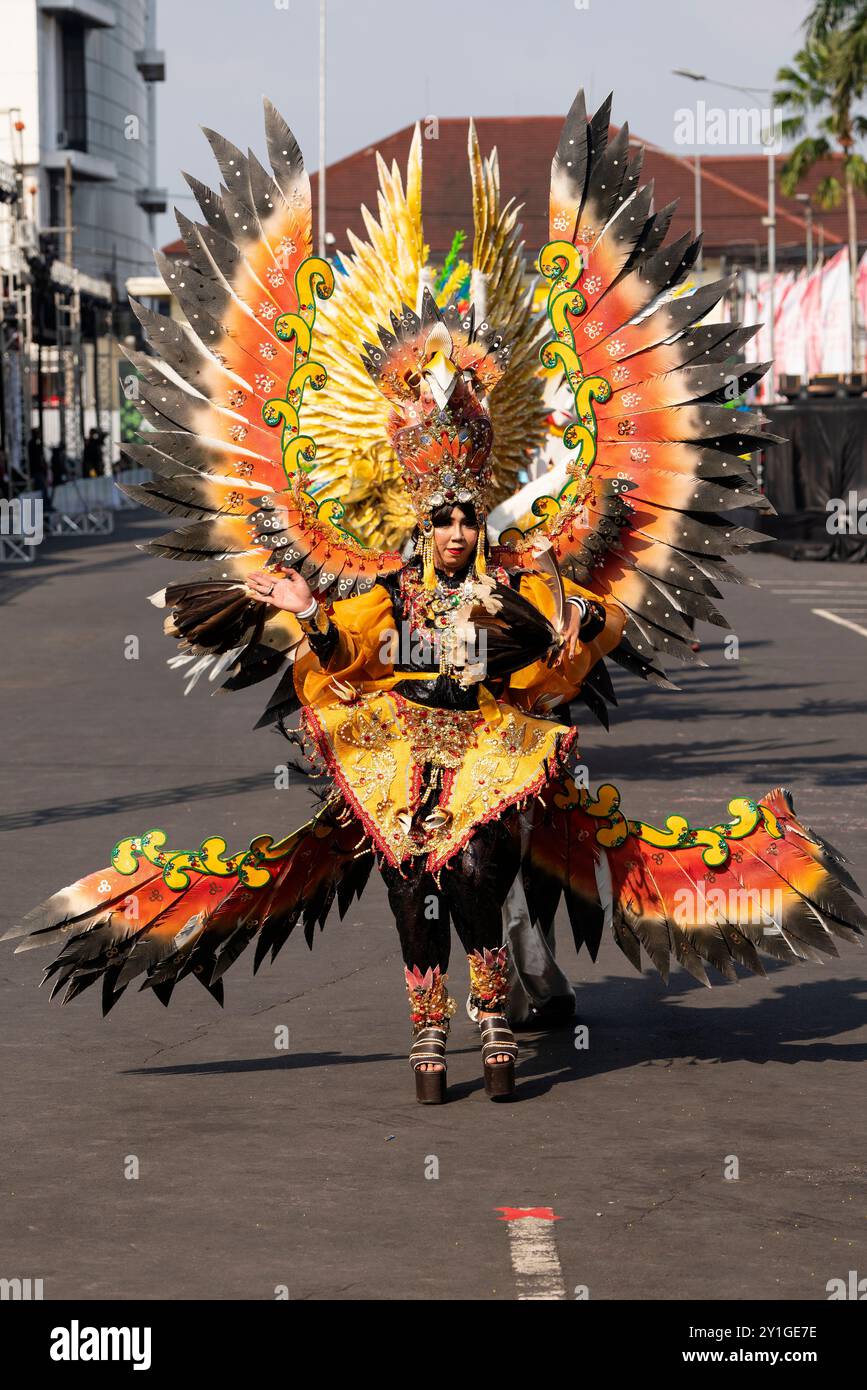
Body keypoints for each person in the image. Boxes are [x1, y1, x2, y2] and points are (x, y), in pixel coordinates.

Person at [6, 89, 863, 1109]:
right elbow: (348, 652)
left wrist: (565, 631)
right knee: (411, 871)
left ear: (480, 509)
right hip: (401, 746)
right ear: (420, 509)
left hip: (500, 744)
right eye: (443, 515)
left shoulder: (523, 570)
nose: (456, 530)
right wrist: (299, 613)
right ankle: (431, 1022)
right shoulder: (381, 576)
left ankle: (499, 1001)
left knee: (491, 867)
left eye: (468, 514)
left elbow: (569, 651)